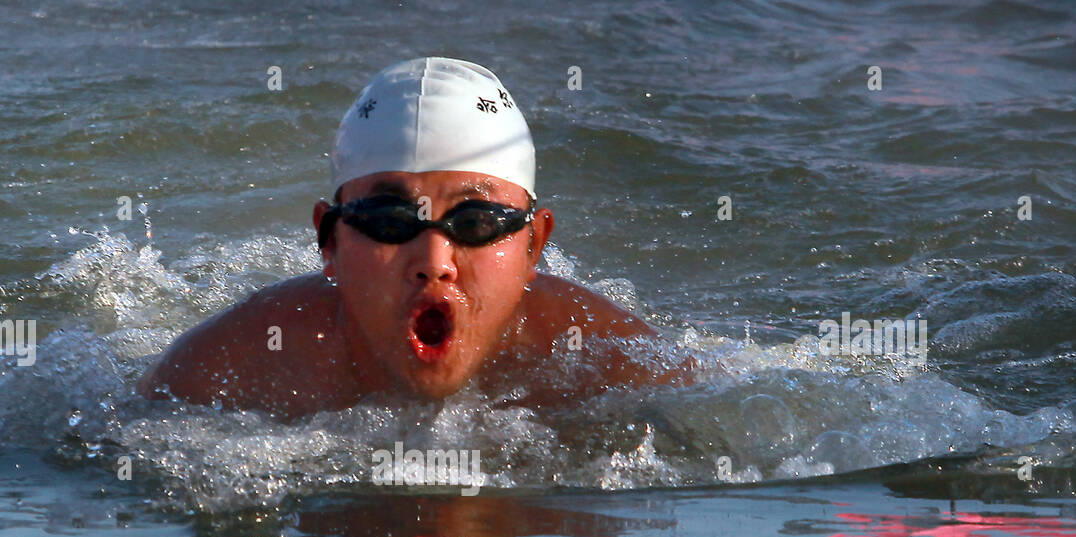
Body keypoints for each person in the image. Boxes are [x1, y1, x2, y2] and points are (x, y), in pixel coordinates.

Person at [138, 57, 691, 418]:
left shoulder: (621, 371)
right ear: (328, 242)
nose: (433, 262)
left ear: (533, 246)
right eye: (389, 222)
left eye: (475, 223)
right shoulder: (225, 371)